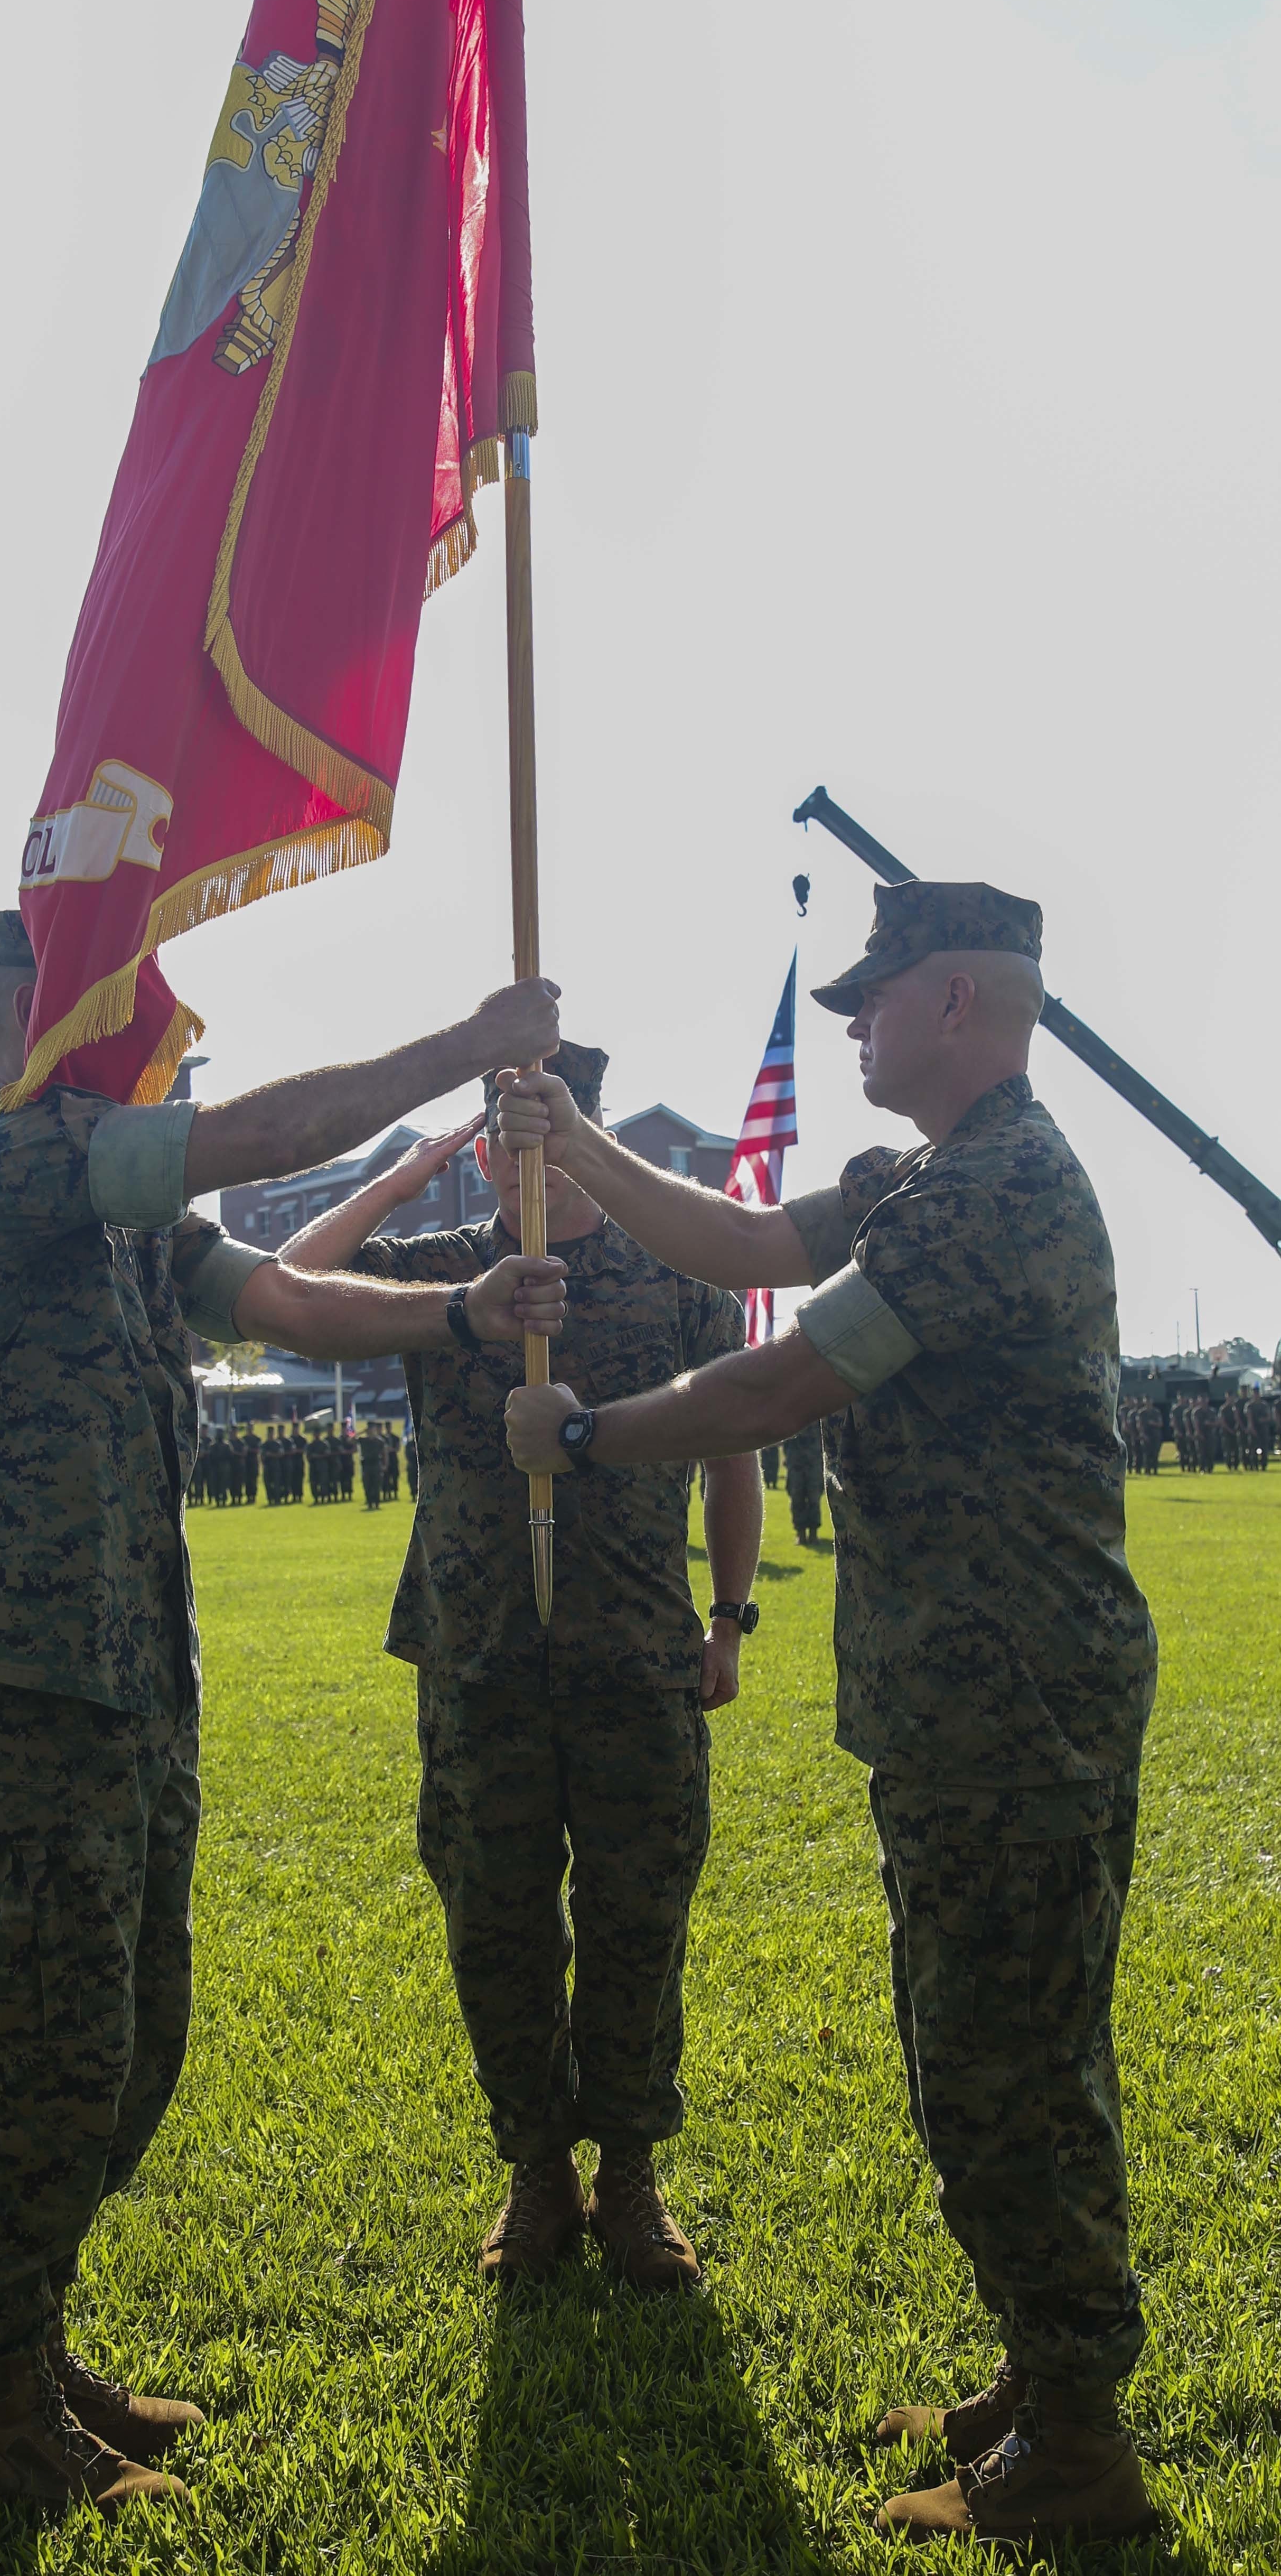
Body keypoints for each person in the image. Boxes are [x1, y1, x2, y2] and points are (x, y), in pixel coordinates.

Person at [498, 884, 1160, 2547]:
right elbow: (745, 1247)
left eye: (876, 996)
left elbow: (784, 1377)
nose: (853, 1019)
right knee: (972, 2056)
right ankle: (1038, 2370)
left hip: (1017, 1698)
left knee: (1015, 2067)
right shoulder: (932, 1178)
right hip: (967, 1695)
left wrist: (581, 1440)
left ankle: (1079, 2441)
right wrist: (572, 1135)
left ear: (954, 1002)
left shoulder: (1002, 1189)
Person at [0, 909, 564, 2515]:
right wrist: (467, 1043)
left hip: (124, 1681)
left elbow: (278, 1299)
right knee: (36, 2049)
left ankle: (38, 2346)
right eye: (146, 1013)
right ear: (56, 1011)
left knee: (124, 2040)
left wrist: (459, 1312)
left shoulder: (122, 1223)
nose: (175, 1045)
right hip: (15, 1687)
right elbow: (261, 1136)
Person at [281, 1044, 763, 2289]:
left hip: (634, 1650)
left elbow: (732, 1450)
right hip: (478, 1655)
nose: (512, 1155)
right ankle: (535, 2166)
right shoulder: (444, 1276)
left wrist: (726, 1617)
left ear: (578, 1134)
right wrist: (401, 1176)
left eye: (535, 1129)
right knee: (492, 1919)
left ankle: (631, 2174)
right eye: (494, 1136)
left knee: (634, 1916)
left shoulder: (670, 1277)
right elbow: (290, 1282)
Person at [780, 1419, 823, 1545]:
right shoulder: (792, 1414)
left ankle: (814, 1534)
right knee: (797, 1498)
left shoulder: (817, 1413)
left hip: (814, 1461)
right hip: (796, 1462)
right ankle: (801, 1534)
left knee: (814, 1499)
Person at [359, 1421, 386, 1510]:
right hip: (367, 1466)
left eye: (372, 1429)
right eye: (369, 1429)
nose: (371, 1431)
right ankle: (370, 1503)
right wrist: (362, 1432)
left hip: (376, 1465)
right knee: (367, 1485)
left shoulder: (380, 1441)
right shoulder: (363, 1440)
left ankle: (377, 1504)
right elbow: (350, 1440)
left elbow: (384, 1454)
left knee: (377, 1485)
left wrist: (385, 1465)